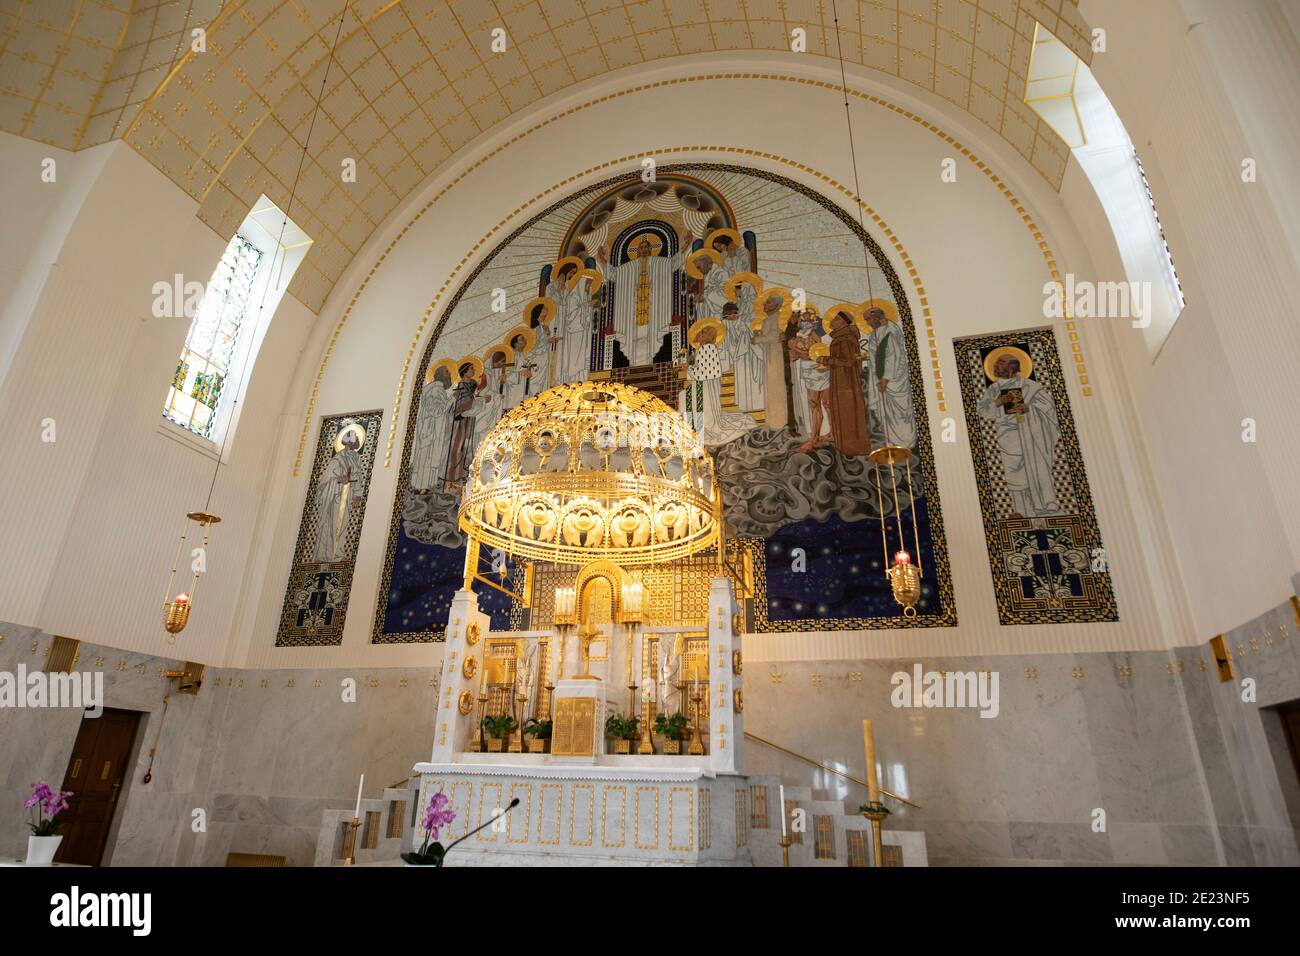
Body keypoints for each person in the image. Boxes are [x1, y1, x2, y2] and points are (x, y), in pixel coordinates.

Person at [976, 353, 1061, 518]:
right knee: (1013, 470)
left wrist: (1028, 407)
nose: (996, 365)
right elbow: (982, 411)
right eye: (995, 362)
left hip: (1031, 431)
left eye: (1000, 362)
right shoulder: (993, 389)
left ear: (1012, 366)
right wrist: (997, 403)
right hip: (1008, 435)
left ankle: (1047, 501)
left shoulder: (1030, 386)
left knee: (1038, 464)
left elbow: (1049, 406)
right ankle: (1021, 509)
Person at [596, 231, 693, 366]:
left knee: (650, 340)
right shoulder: (629, 268)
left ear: (651, 250)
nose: (644, 250)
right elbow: (614, 274)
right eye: (641, 248)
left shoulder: (659, 263)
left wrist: (686, 245)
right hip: (633, 317)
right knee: (635, 341)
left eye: (646, 247)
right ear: (637, 251)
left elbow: (673, 263)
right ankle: (636, 367)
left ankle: (647, 365)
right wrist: (601, 259)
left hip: (653, 314)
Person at [682, 322, 756, 447]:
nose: (698, 335)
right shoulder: (704, 349)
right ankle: (695, 427)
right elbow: (704, 368)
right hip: (703, 384)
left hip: (706, 386)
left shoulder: (708, 348)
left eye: (702, 333)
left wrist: (688, 370)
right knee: (685, 396)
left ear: (707, 336)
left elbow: (709, 372)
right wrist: (690, 368)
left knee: (686, 398)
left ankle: (701, 427)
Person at [861, 305, 916, 450]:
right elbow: (877, 354)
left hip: (894, 379)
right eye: (866, 320)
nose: (867, 322)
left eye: (868, 319)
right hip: (882, 377)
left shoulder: (890, 331)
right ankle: (891, 440)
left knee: (899, 411)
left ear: (876, 317)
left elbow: (893, 356)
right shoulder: (876, 333)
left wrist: (885, 378)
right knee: (886, 411)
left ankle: (905, 443)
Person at [817, 310, 870, 456]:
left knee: (847, 411)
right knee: (843, 411)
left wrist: (825, 360)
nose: (831, 321)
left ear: (843, 322)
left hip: (846, 381)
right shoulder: (842, 337)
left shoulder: (845, 339)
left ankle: (852, 448)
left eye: (835, 319)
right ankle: (845, 446)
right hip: (842, 379)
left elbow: (847, 361)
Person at [312, 427, 364, 562]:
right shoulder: (338, 457)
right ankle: (327, 555)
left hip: (348, 494)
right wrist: (341, 478)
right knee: (333, 522)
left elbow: (358, 476)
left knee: (344, 522)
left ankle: (338, 553)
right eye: (356, 438)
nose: (358, 440)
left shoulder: (356, 458)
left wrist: (358, 496)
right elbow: (329, 475)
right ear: (349, 441)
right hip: (336, 494)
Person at [787, 308, 831, 451]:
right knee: (816, 404)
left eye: (808, 319)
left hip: (821, 369)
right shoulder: (797, 338)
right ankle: (817, 436)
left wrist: (800, 349)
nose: (805, 321)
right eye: (803, 319)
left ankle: (819, 437)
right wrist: (794, 349)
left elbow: (821, 349)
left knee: (823, 403)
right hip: (808, 371)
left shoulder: (818, 335)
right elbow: (792, 357)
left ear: (814, 321)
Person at [409, 365, 453, 491]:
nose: (449, 374)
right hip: (431, 429)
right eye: (447, 372)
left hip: (427, 427)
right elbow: (437, 411)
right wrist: (452, 399)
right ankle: (423, 486)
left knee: (424, 456)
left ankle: (422, 485)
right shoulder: (437, 390)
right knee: (427, 457)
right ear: (440, 375)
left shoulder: (429, 389)